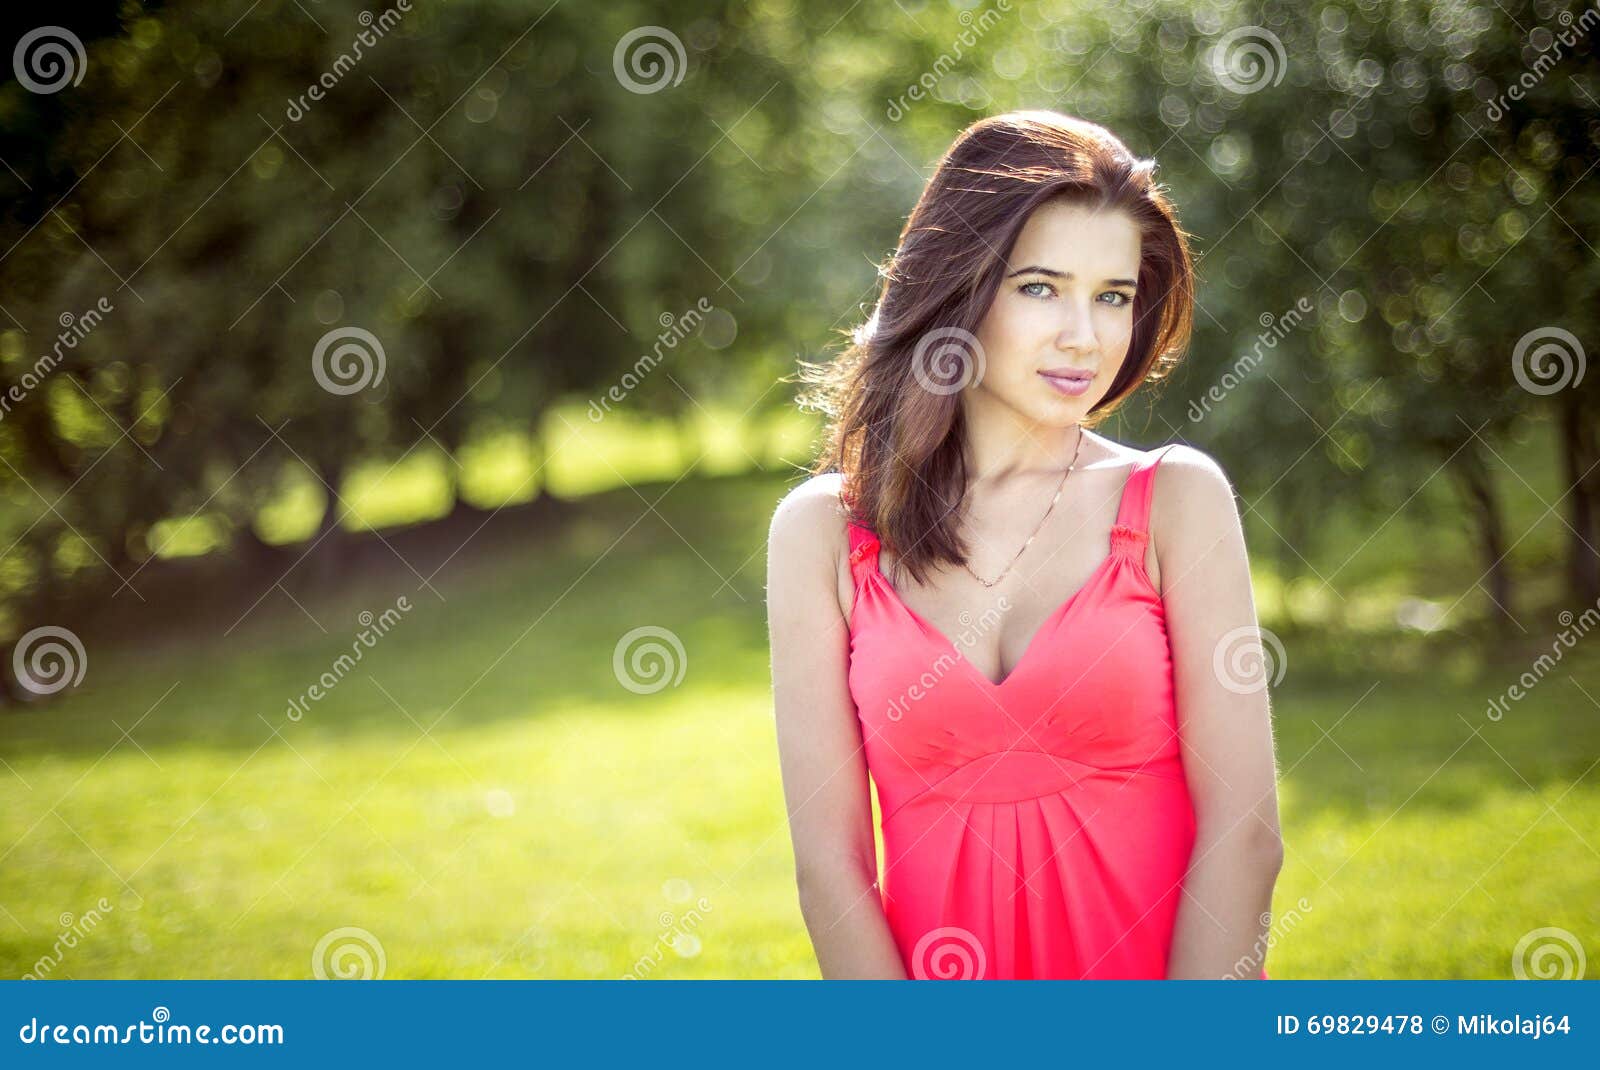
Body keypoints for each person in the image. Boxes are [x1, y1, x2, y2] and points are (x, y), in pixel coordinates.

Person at [766, 111, 1281, 979]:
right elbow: (829, 870)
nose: (1085, 335)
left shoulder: (1173, 503)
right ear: (959, 286)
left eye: (1112, 296)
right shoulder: (825, 535)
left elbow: (1247, 838)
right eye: (1041, 287)